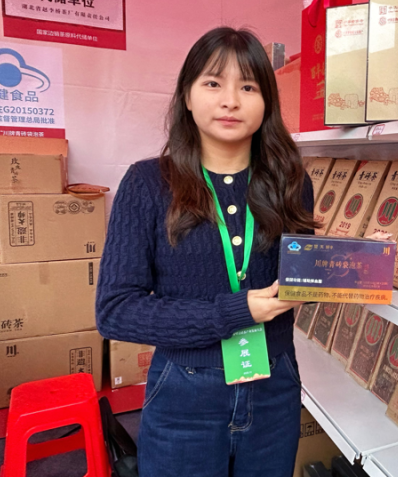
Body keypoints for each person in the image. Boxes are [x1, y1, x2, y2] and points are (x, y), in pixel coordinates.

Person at [96, 27, 316, 477]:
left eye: (248, 87)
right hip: (185, 391)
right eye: (213, 83)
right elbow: (116, 311)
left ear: (267, 102)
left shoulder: (291, 183)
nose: (230, 101)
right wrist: (235, 311)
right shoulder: (148, 184)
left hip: (274, 385)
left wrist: (348, 266)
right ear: (187, 96)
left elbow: (296, 286)